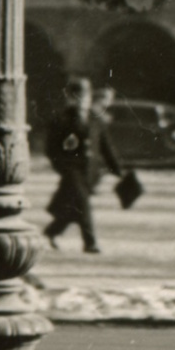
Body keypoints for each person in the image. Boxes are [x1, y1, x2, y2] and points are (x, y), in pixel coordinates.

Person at [43, 77, 120, 254]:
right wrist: (61, 166)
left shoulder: (95, 119)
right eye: (77, 96)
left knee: (75, 207)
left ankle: (52, 231)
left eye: (85, 95)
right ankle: (90, 242)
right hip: (71, 170)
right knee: (83, 204)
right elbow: (51, 148)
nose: (82, 99)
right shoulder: (61, 119)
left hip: (90, 172)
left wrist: (118, 170)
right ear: (70, 97)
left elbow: (105, 146)